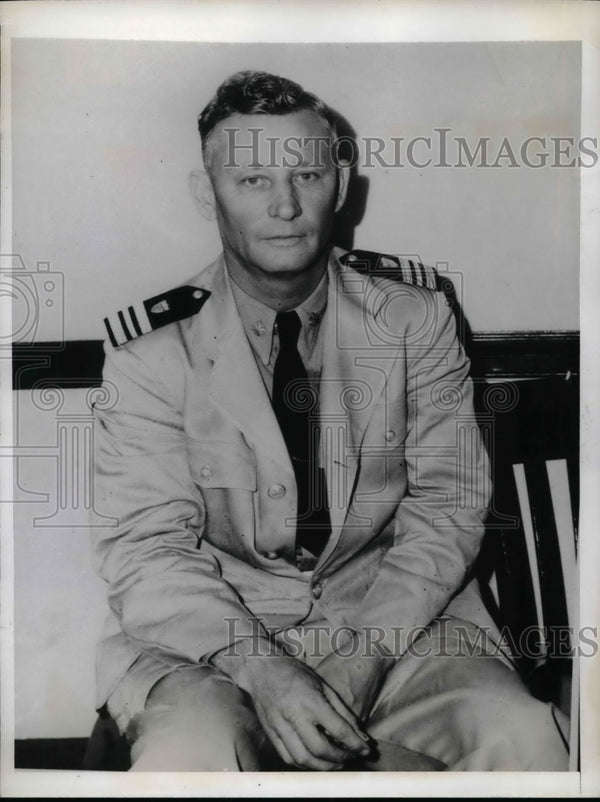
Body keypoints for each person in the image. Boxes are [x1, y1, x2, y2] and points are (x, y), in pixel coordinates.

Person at [92, 70, 569, 771]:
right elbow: (145, 549)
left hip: (403, 630)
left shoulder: (415, 317)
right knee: (189, 754)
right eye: (252, 180)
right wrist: (264, 669)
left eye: (306, 176)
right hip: (212, 646)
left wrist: (365, 655)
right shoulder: (152, 350)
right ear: (207, 193)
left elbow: (451, 504)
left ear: (340, 187)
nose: (284, 206)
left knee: (524, 739)